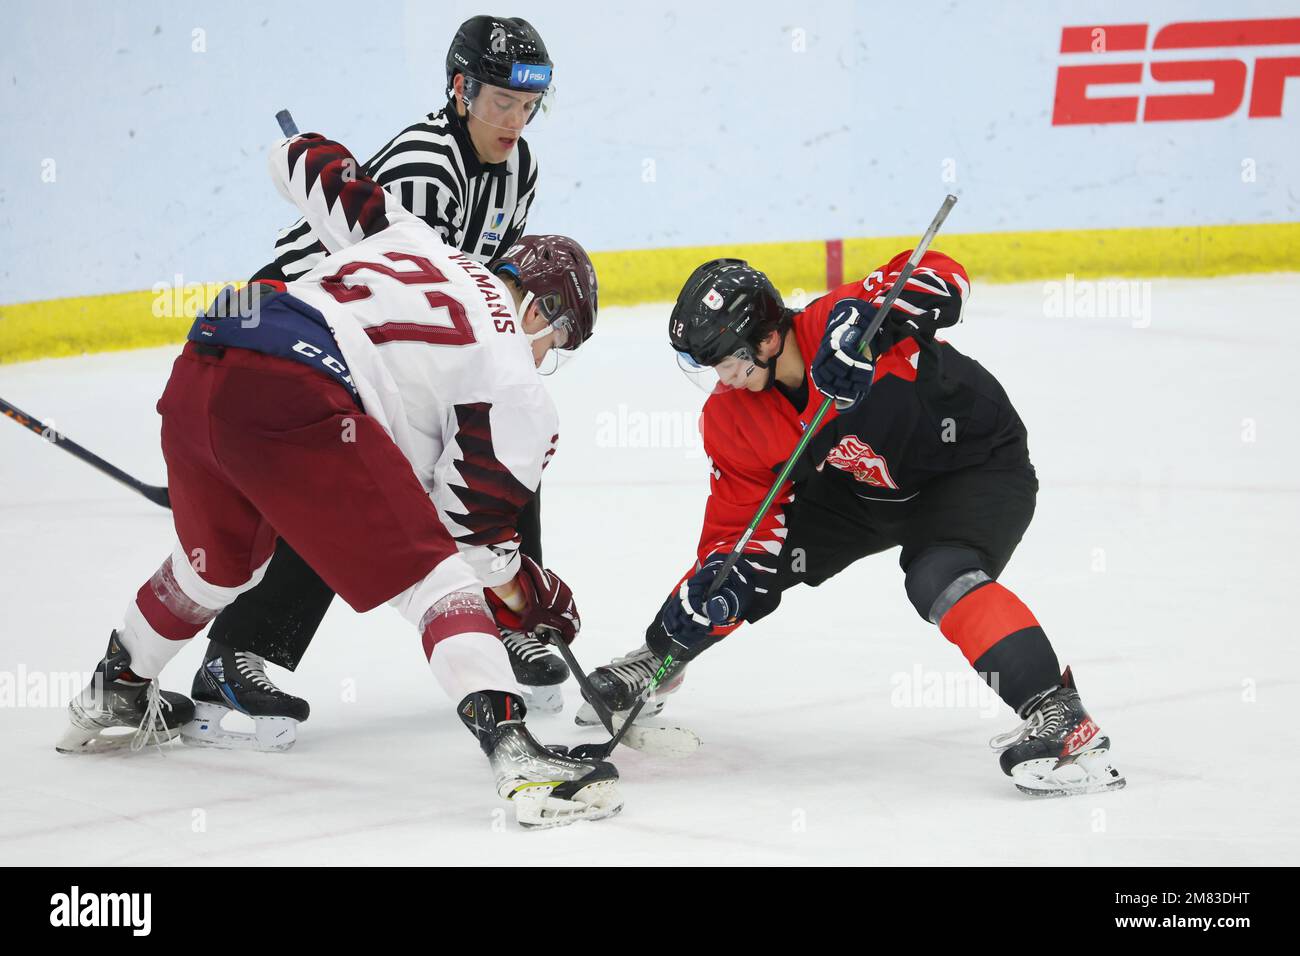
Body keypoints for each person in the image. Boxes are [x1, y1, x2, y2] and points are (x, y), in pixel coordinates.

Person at [55, 131, 620, 828]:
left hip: (213, 349)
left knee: (220, 567)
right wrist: (535, 592)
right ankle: (517, 752)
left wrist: (305, 142)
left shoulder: (415, 237)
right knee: (435, 579)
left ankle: (116, 687)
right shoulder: (515, 379)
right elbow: (467, 544)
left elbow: (300, 163)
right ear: (540, 312)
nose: (545, 358)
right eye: (557, 344)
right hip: (300, 384)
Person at [579, 251, 1126, 798]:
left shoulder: (838, 321)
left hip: (972, 467)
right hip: (864, 488)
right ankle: (657, 663)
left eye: (725, 360)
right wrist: (706, 595)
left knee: (938, 574)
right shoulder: (731, 416)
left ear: (767, 341)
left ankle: (1059, 716)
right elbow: (737, 529)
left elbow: (943, 272)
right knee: (747, 573)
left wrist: (876, 323)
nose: (720, 377)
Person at [197, 16, 570, 745]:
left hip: (377, 342)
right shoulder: (425, 165)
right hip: (296, 326)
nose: (517, 121)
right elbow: (402, 290)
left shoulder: (519, 169)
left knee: (500, 438)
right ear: (460, 92)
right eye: (502, 102)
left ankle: (505, 612)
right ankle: (234, 657)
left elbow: (474, 302)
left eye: (531, 106)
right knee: (354, 472)